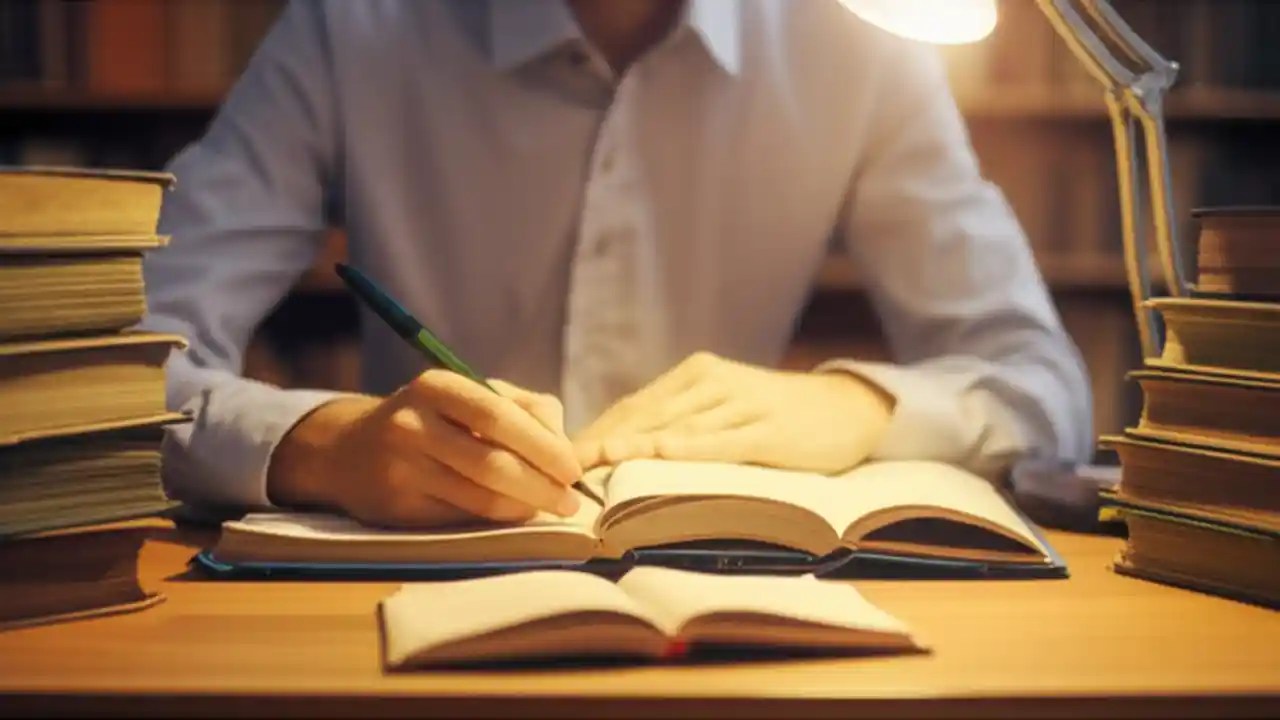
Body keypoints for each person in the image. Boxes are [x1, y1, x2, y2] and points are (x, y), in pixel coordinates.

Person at [142, 0, 1093, 528]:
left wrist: (856, 409)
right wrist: (321, 446)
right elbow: (103, 369)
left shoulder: (860, 38)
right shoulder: (355, 29)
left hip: (738, 616)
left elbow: (1043, 390)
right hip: (409, 601)